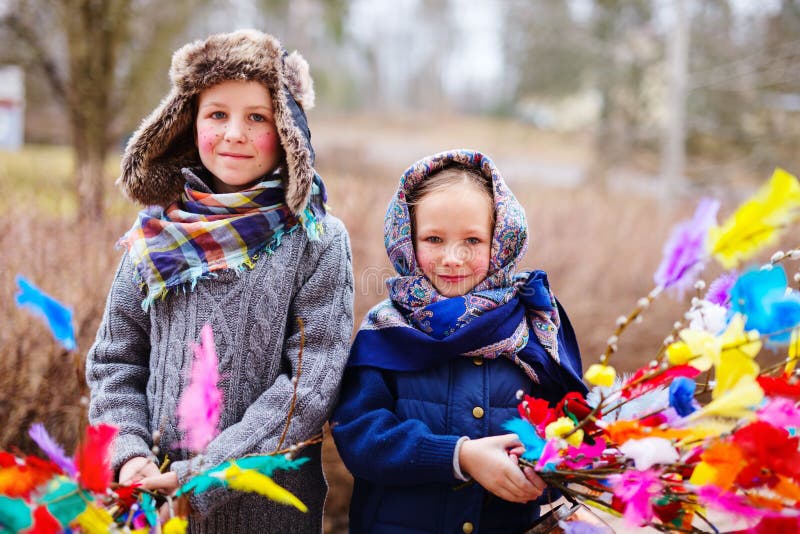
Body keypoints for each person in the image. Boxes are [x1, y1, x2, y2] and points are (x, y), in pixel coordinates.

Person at [85, 30, 353, 532]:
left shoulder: (316, 241)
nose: (234, 133)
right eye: (217, 115)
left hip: (266, 511)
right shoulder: (156, 235)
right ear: (188, 122)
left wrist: (203, 475)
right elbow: (114, 360)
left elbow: (308, 386)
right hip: (152, 507)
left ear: (290, 130)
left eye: (258, 117)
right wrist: (128, 455)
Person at [331, 149, 588, 533]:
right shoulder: (386, 331)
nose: (452, 258)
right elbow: (359, 436)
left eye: (472, 240)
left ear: (499, 241)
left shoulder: (533, 329)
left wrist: (545, 467)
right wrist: (459, 456)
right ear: (407, 240)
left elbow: (567, 428)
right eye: (434, 239)